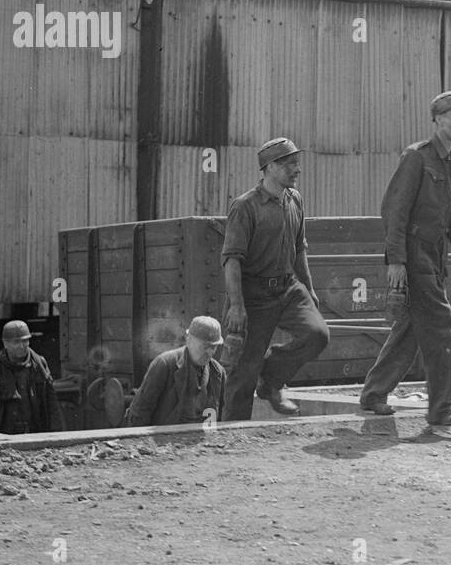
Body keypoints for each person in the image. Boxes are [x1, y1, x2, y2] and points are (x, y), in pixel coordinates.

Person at [358, 91, 451, 427]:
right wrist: (396, 261)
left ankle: (374, 393)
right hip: (413, 253)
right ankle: (441, 407)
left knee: (410, 328)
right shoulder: (417, 157)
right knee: (441, 323)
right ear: (438, 119)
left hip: (434, 255)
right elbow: (393, 211)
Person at [221, 137, 330, 420]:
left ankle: (270, 381)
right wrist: (236, 306)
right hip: (254, 294)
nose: (297, 169)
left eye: (297, 162)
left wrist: (309, 288)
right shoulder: (245, 206)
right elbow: (232, 259)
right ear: (270, 167)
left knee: (316, 334)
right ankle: (233, 438)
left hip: (288, 288)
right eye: (290, 163)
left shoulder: (295, 199)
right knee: (243, 373)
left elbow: (299, 249)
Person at [125, 316, 227, 427]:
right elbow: (140, 412)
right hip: (163, 440)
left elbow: (217, 418)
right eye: (204, 346)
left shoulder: (218, 373)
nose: (209, 352)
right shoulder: (164, 365)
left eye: (213, 347)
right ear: (189, 340)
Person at [0, 321, 63, 435]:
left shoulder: (39, 365)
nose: (22, 346)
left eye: (25, 341)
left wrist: (57, 432)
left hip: (35, 430)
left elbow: (51, 400)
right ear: (5, 344)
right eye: (16, 342)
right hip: (5, 433)